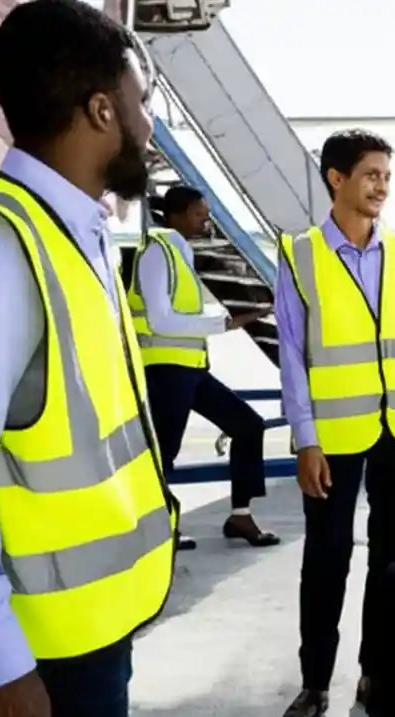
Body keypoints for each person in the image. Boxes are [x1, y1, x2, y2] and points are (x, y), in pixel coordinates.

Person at [0, 1, 177, 717]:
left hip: (91, 625)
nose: (149, 128)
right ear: (99, 111)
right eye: (139, 104)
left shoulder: (75, 232)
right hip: (41, 652)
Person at [276, 128, 395, 717]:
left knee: (392, 561)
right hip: (334, 437)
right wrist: (305, 438)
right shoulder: (301, 254)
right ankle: (314, 684)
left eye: (387, 175)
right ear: (336, 178)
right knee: (327, 559)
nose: (382, 185)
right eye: (371, 175)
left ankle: (375, 674)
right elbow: (292, 353)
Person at [128, 184, 277, 550]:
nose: (206, 219)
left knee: (248, 426)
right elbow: (161, 320)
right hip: (164, 368)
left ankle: (240, 516)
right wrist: (223, 323)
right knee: (164, 450)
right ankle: (160, 527)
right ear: (177, 215)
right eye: (199, 213)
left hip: (190, 368)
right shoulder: (157, 254)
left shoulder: (181, 253)